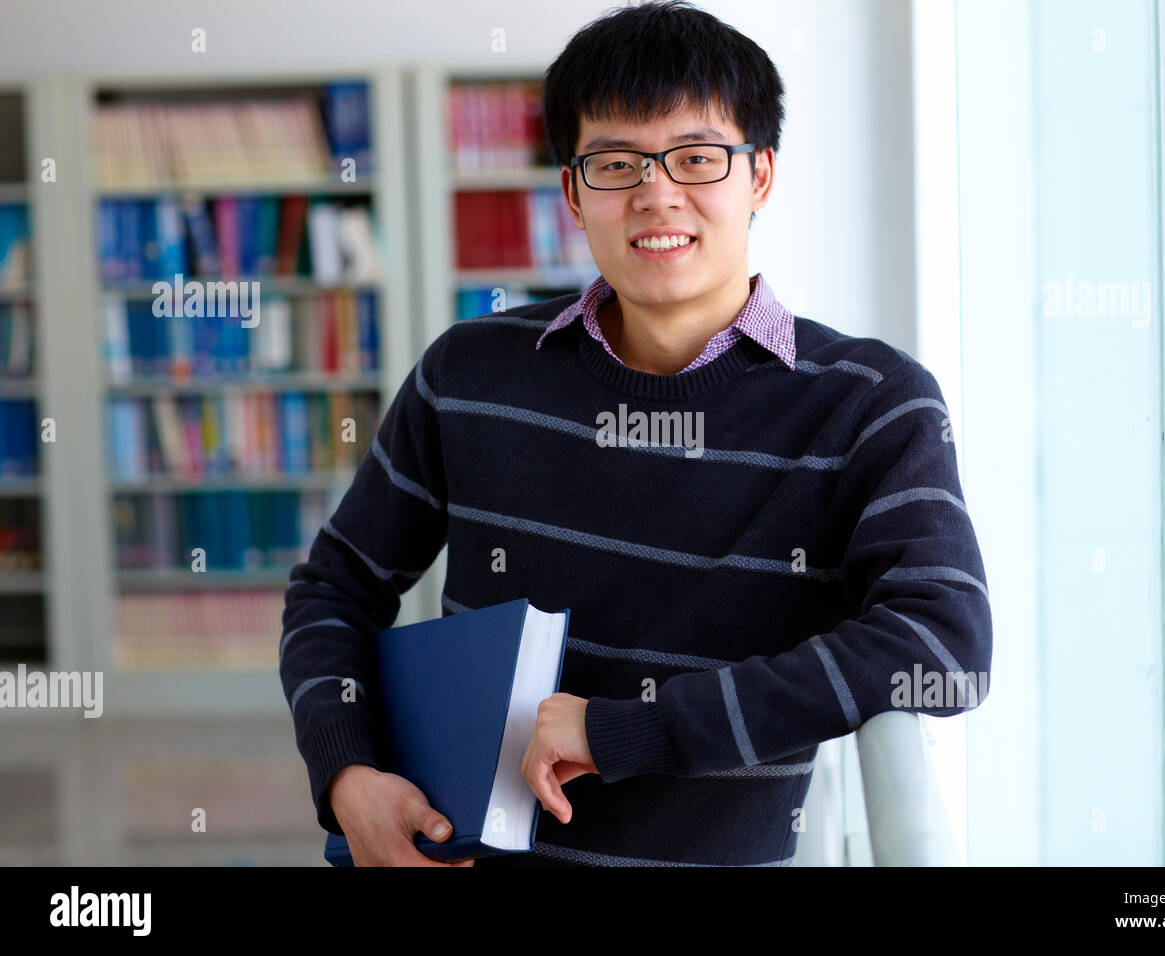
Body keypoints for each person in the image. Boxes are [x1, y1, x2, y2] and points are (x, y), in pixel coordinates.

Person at [280, 0, 993, 867]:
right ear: (575, 192)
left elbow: (944, 643)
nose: (657, 193)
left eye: (697, 157)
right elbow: (334, 589)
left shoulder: (869, 404)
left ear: (760, 175)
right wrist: (348, 774)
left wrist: (629, 730)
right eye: (616, 163)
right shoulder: (470, 373)